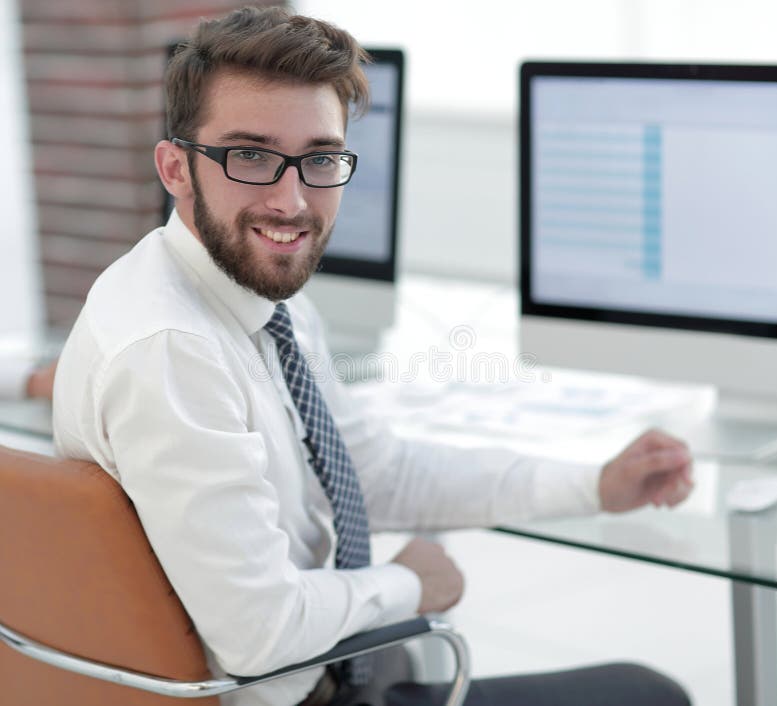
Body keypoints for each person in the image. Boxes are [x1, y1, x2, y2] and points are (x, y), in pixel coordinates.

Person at [52, 7, 693, 706]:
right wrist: (411, 582)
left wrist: (593, 483)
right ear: (176, 167)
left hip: (326, 669)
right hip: (295, 689)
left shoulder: (264, 295)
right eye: (252, 156)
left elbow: (373, 474)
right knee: (646, 692)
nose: (292, 200)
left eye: (320, 158)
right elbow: (260, 635)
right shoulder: (172, 352)